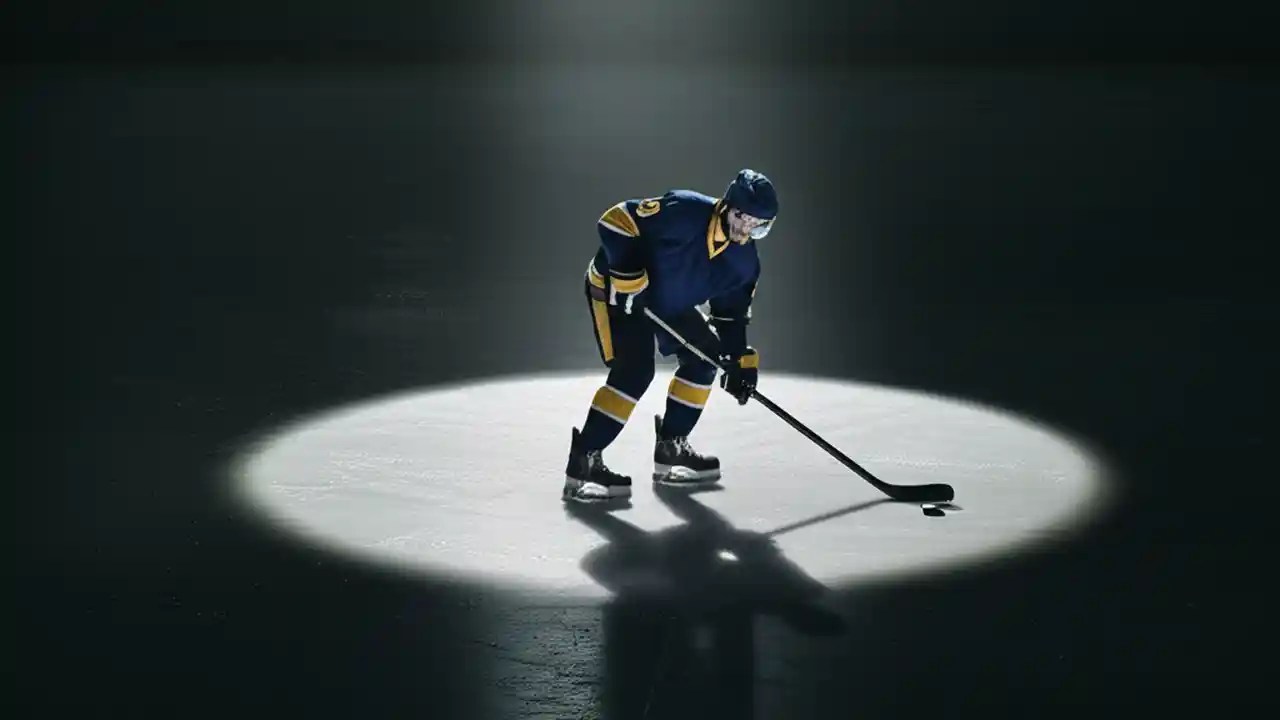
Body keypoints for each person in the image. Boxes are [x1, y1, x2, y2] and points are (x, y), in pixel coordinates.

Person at [564, 169, 778, 502]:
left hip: (666, 299)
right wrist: (628, 274)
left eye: (757, 224)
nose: (745, 228)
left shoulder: (745, 264)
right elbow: (615, 220)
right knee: (634, 372)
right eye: (741, 217)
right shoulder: (686, 210)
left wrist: (739, 361)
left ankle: (671, 448)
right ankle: (584, 462)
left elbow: (730, 316)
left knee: (705, 360)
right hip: (617, 289)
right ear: (726, 206)